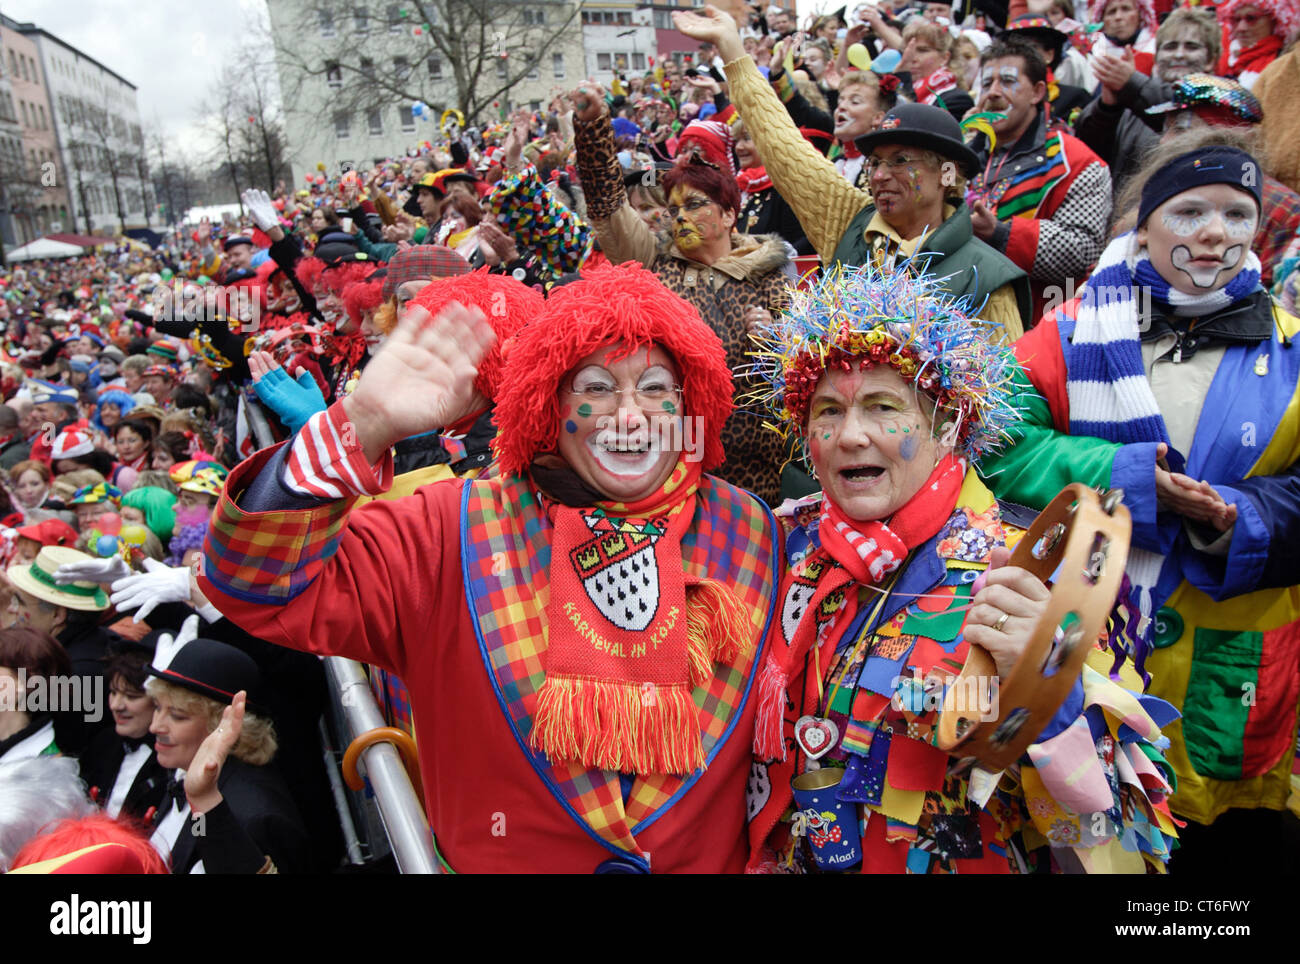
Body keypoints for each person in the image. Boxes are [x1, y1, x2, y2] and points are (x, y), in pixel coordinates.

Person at [198, 265, 781, 872]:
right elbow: (253, 583)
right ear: (549, 405)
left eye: (658, 387)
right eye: (597, 388)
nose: (630, 416)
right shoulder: (448, 527)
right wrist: (361, 425)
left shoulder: (753, 529)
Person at [745, 264, 1177, 873]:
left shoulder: (1031, 567)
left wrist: (1047, 685)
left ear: (945, 425)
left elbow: (1118, 826)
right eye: (828, 412)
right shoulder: (781, 545)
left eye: (882, 405)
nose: (850, 435)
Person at [977, 142, 1300, 874]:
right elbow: (994, 442)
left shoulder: (1293, 351)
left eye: (1236, 214)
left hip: (1233, 676)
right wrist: (1123, 479)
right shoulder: (1066, 336)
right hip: (1086, 659)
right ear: (1144, 225)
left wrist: (1239, 519)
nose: (1214, 231)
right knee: (1095, 847)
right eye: (1190, 210)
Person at [674, 7, 1030, 337]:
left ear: (948, 175)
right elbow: (784, 146)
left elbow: (1014, 398)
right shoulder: (850, 222)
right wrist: (734, 53)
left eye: (901, 161)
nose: (879, 175)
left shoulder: (986, 275)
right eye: (875, 162)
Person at [573, 86, 794, 505]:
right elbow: (607, 206)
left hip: (764, 461)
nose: (680, 218)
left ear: (729, 215)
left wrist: (776, 336)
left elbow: (803, 359)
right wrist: (591, 130)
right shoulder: (653, 261)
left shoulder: (768, 271)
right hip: (679, 458)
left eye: (694, 205)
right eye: (674, 211)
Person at [146, 618, 310, 873]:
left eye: (177, 715)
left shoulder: (256, 818)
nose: (155, 726)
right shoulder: (181, 770)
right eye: (157, 707)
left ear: (223, 727)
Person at [967, 37, 1112, 317]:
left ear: (1037, 92)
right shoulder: (960, 157)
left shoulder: (1076, 162)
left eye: (1007, 81)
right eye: (986, 84)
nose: (993, 93)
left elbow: (1082, 251)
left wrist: (1000, 233)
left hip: (1035, 328)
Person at [1075, 6, 1220, 196]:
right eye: (1170, 46)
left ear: (1211, 59)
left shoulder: (1220, 103)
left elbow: (1180, 108)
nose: (1179, 54)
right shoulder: (1132, 101)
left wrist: (1131, 85)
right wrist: (1108, 108)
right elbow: (1091, 155)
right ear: (1157, 59)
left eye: (1191, 46)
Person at [78, 642, 168, 821]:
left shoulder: (170, 761)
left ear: (158, 702)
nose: (116, 705)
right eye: (113, 692)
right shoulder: (104, 742)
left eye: (132, 696)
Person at [1215, 0, 1297, 88]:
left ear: (1275, 20)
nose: (1241, 28)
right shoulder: (1221, 59)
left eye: (1251, 18)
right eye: (1236, 19)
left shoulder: (1287, 63)